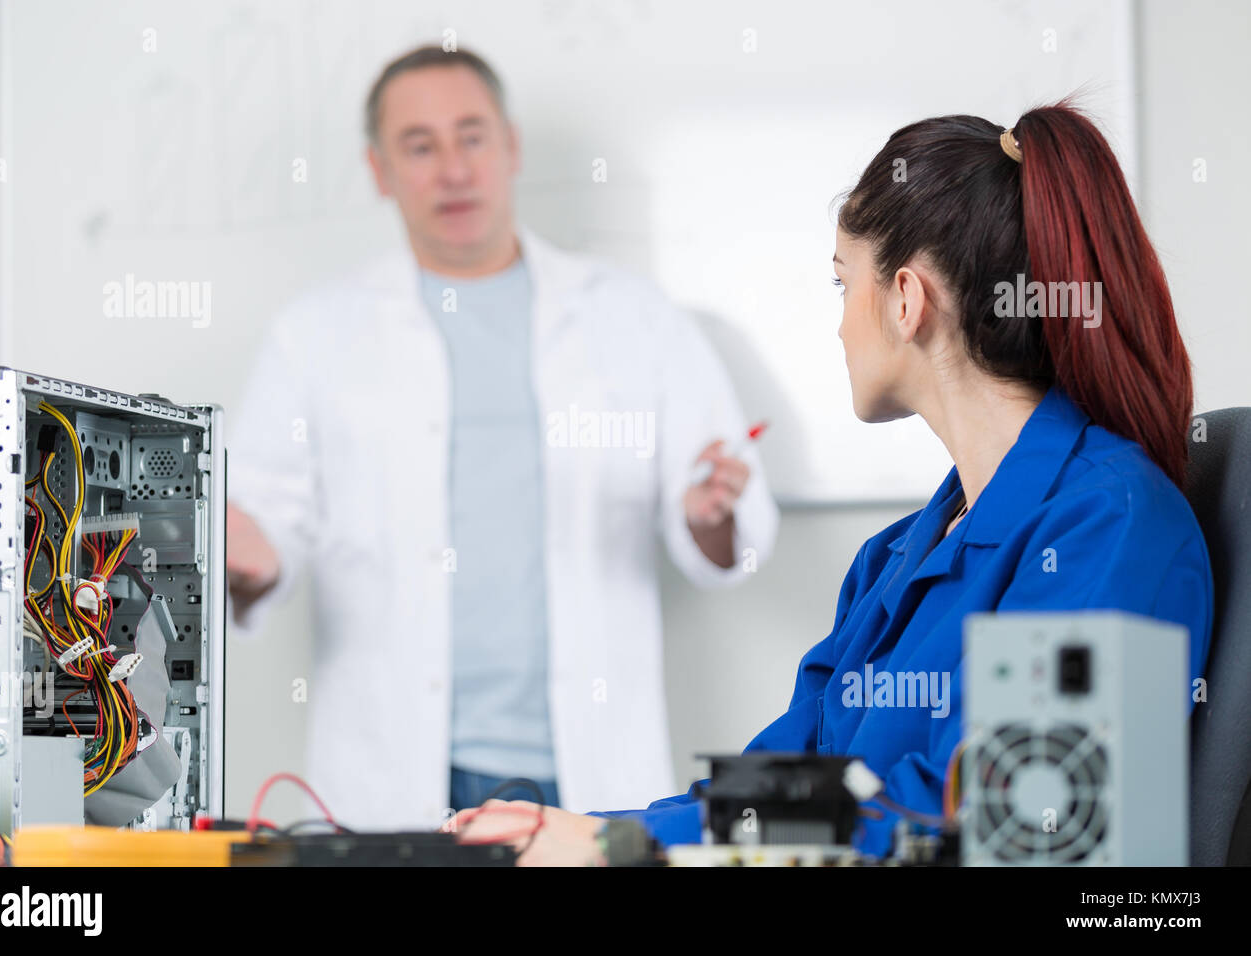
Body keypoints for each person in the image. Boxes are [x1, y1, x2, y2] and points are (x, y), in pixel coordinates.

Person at [449, 102, 1214, 864]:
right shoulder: (897, 559)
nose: (840, 325)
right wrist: (568, 831)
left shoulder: (1106, 524)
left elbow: (1004, 827)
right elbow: (788, 788)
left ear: (907, 300)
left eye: (843, 285)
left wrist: (616, 847)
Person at [225, 45, 778, 829]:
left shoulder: (633, 317)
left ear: (510, 147)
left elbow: (735, 536)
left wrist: (709, 515)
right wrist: (236, 554)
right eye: (420, 146)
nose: (453, 168)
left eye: (472, 136)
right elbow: (261, 535)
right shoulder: (313, 335)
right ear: (380, 170)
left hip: (588, 767)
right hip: (394, 774)